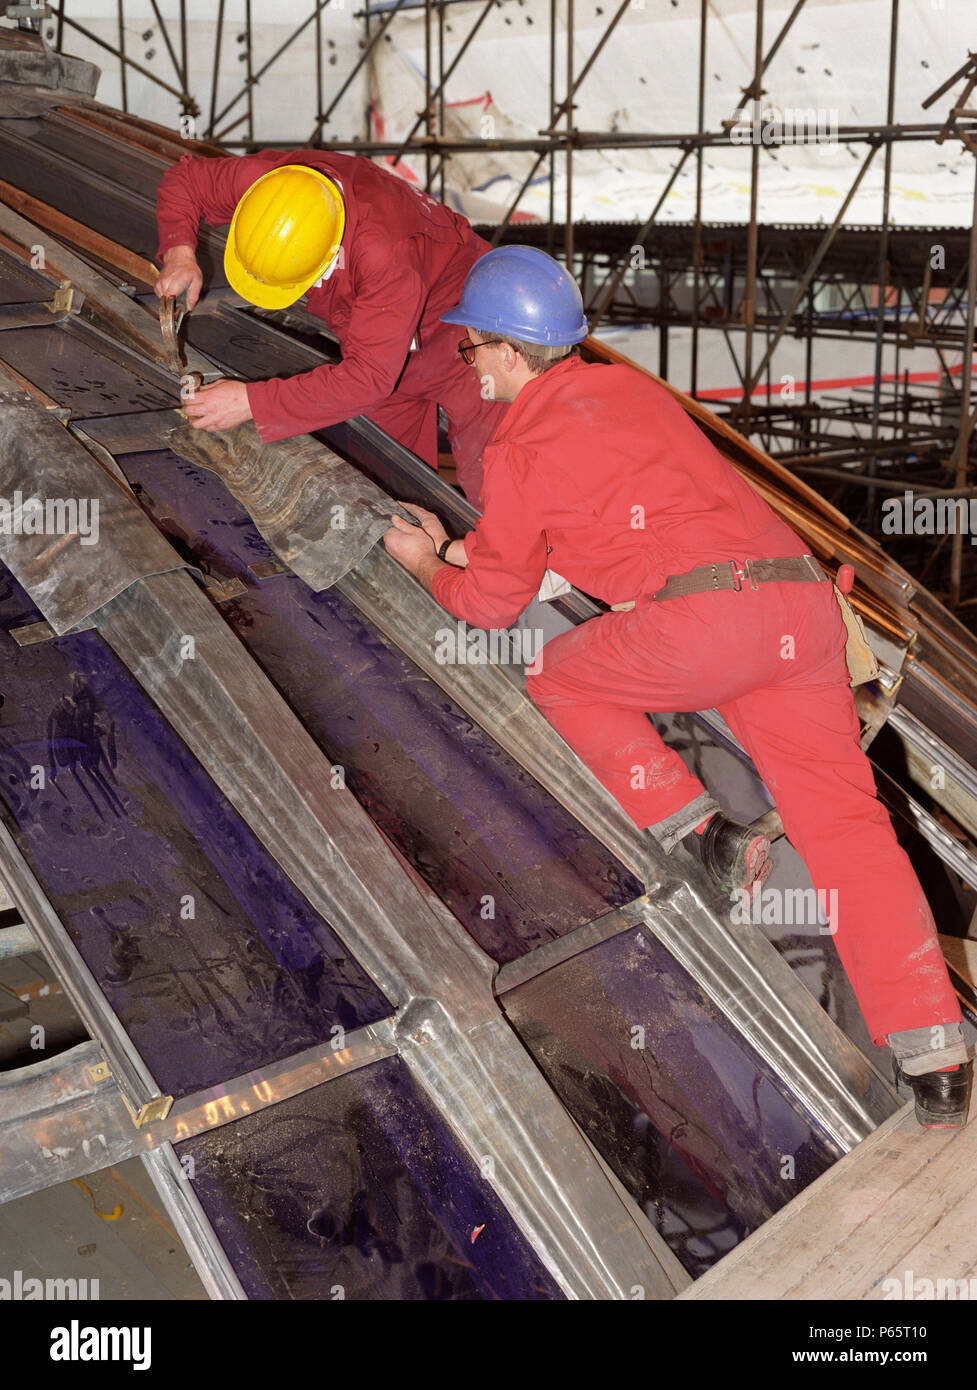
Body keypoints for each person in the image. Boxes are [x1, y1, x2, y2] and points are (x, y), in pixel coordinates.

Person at [383, 244, 972, 1129]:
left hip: (708, 626)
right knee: (848, 828)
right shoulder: (627, 392)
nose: (469, 367)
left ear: (508, 350)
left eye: (472, 350)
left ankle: (701, 834)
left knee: (561, 679)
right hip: (802, 612)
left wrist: (430, 562)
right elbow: (623, 521)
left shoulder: (517, 443)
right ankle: (937, 1055)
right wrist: (496, 551)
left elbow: (494, 605)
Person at [154, 150, 507, 503]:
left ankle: (512, 554)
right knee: (393, 489)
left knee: (496, 481)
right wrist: (179, 254)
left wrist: (252, 402)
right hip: (376, 334)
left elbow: (368, 378)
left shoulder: (384, 253)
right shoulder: (270, 186)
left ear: (330, 252)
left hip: (464, 334)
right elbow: (185, 181)